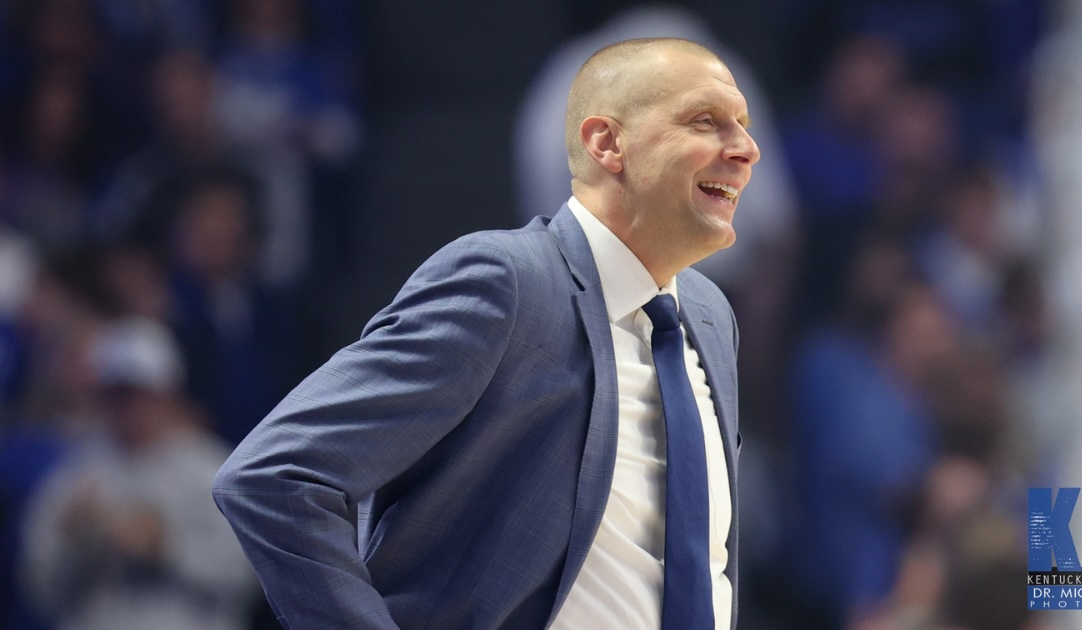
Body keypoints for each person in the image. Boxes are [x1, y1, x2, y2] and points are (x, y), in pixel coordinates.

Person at [213, 37, 758, 629]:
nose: (747, 150)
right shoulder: (510, 283)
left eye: (744, 126)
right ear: (606, 143)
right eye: (706, 122)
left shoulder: (707, 314)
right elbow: (275, 477)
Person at [20, 317, 258, 630]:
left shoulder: (212, 470)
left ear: (167, 391)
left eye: (138, 391)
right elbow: (37, 586)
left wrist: (166, 547)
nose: (129, 405)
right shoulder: (77, 473)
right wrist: (70, 541)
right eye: (117, 392)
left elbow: (250, 576)